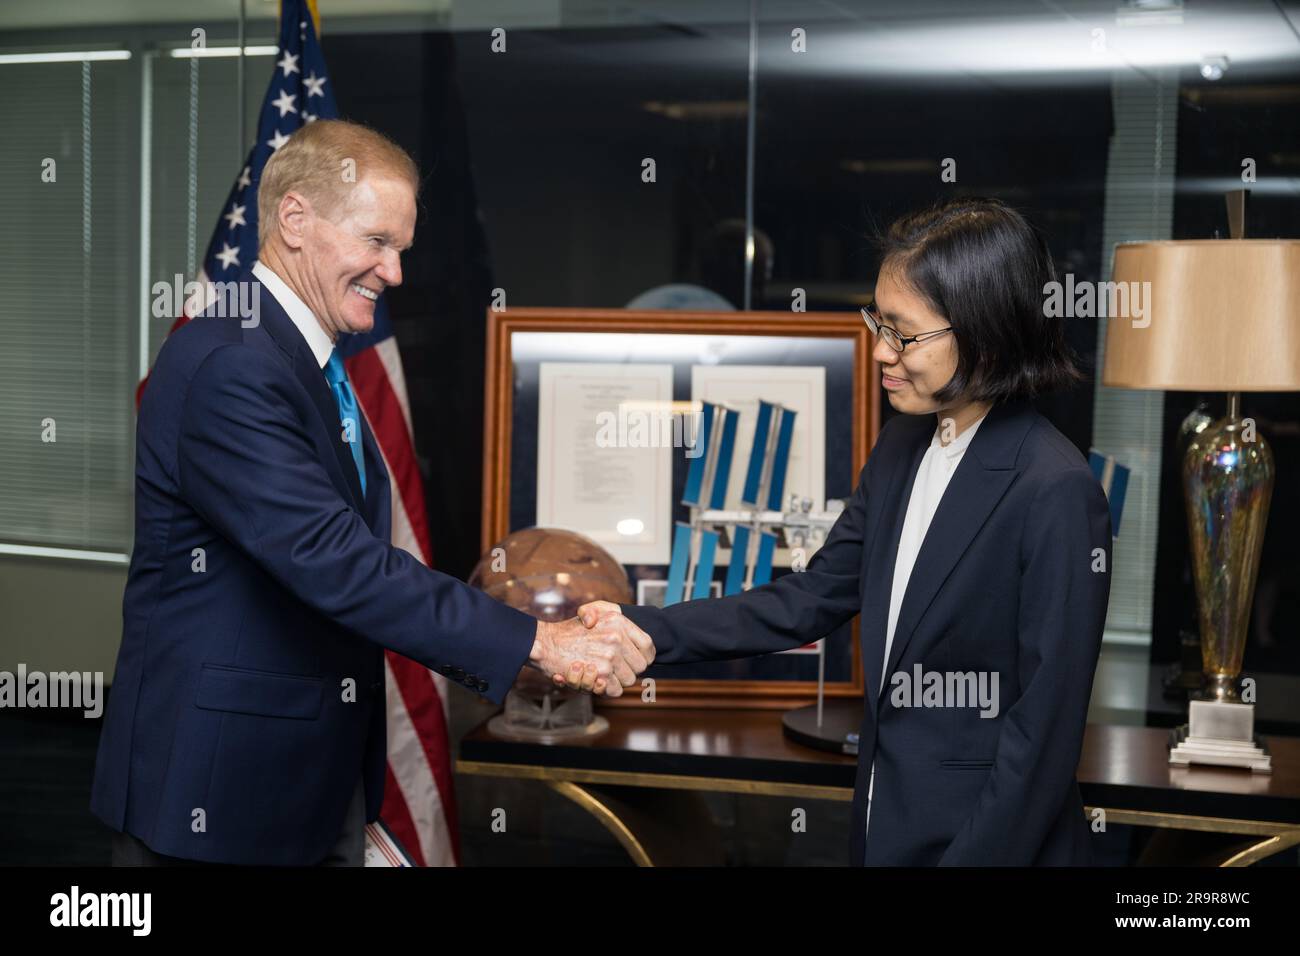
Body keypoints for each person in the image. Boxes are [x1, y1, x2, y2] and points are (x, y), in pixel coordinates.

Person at [93, 120, 652, 866]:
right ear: (295, 219)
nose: (394, 274)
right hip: (219, 791)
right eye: (377, 242)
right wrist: (538, 640)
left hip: (302, 778)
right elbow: (339, 563)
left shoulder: (302, 360)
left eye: (402, 249)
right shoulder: (232, 363)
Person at [573, 198, 1113, 866]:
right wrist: (645, 628)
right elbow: (812, 597)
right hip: (885, 832)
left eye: (904, 334)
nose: (880, 351)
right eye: (877, 322)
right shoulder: (902, 444)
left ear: (987, 338)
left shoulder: (1054, 489)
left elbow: (1043, 736)